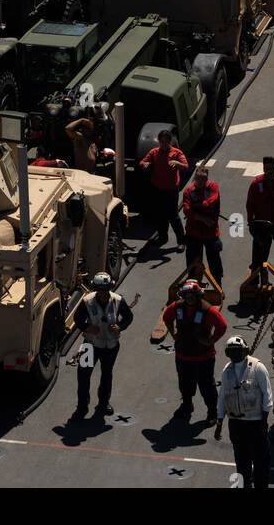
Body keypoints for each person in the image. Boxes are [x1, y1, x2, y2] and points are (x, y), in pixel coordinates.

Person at [162, 279, 226, 422]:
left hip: (204, 358)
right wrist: (173, 334)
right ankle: (187, 405)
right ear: (183, 296)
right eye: (187, 295)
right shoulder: (177, 307)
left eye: (192, 295)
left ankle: (212, 412)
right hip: (183, 356)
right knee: (185, 385)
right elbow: (166, 317)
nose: (189, 298)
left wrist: (210, 341)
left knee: (207, 387)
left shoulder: (208, 310)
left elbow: (222, 326)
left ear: (198, 295)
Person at [72, 271, 133, 419]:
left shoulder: (118, 300)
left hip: (110, 345)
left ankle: (103, 403)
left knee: (106, 374)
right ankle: (82, 406)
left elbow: (128, 317)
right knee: (83, 375)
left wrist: (120, 326)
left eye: (105, 291)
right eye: (100, 291)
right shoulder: (87, 301)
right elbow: (77, 319)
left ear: (109, 289)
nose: (103, 294)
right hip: (90, 344)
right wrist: (87, 328)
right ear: (96, 290)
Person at [214, 336, 273, 489]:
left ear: (245, 350)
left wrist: (263, 421)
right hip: (236, 424)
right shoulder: (227, 371)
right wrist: (219, 422)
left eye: (237, 351)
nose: (235, 355)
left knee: (261, 463)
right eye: (231, 352)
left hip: (255, 423)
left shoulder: (258, 368)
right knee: (242, 464)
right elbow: (222, 398)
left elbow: (267, 396)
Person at [140, 128, 188, 248]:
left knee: (173, 216)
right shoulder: (154, 152)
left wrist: (178, 164)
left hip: (171, 190)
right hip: (157, 188)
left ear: (170, 142)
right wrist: (145, 164)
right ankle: (163, 237)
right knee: (160, 214)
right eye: (162, 142)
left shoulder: (177, 153)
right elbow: (142, 162)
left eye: (166, 142)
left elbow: (185, 166)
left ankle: (181, 241)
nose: (164, 144)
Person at [183, 165, 223, 283]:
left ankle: (217, 287)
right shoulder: (188, 191)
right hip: (193, 233)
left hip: (210, 232)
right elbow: (187, 210)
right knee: (193, 264)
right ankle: (193, 287)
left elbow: (212, 202)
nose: (200, 182)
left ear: (207, 179)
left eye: (203, 179)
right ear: (194, 178)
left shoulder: (213, 187)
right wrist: (203, 218)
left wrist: (197, 208)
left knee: (215, 263)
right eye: (198, 179)